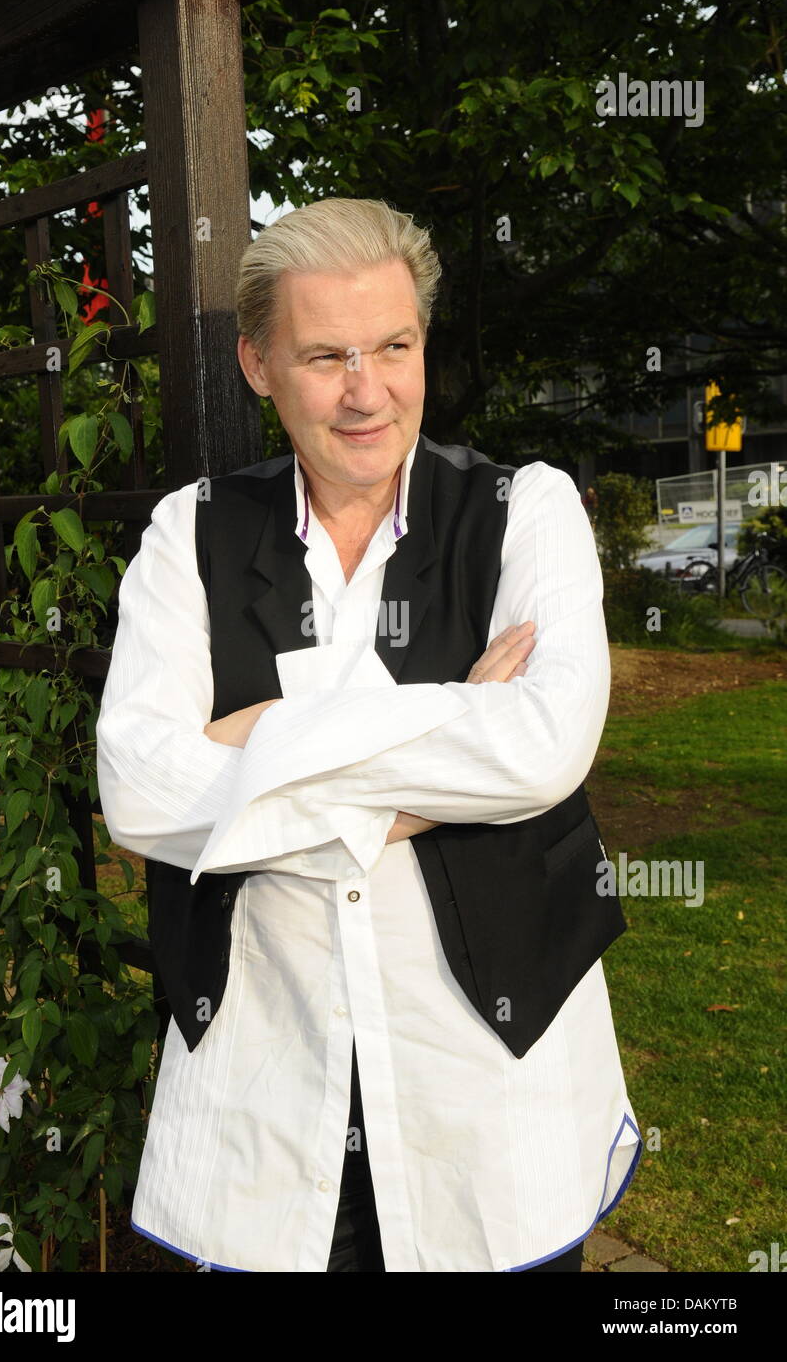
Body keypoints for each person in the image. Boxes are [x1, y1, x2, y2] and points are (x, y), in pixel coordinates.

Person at [95, 197, 641, 1273]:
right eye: (324, 355)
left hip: (488, 1110)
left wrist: (260, 738)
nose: (367, 390)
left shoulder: (524, 510)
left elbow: (540, 747)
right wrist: (437, 750)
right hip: (265, 1105)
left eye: (393, 346)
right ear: (257, 365)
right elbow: (142, 794)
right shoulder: (185, 534)